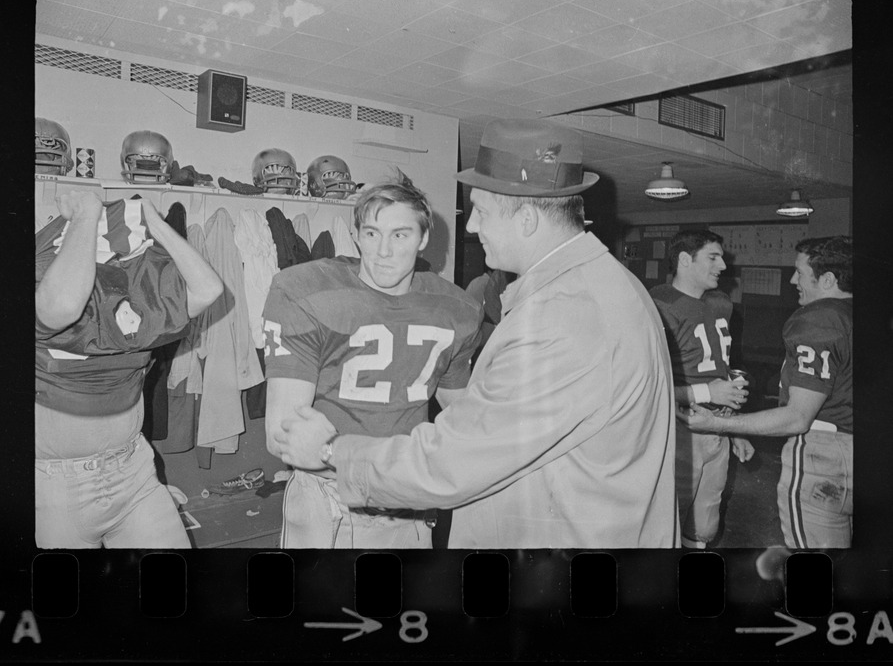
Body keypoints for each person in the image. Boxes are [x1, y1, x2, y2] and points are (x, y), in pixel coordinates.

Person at [270, 119, 679, 548]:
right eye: (371, 233)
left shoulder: (562, 314)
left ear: (525, 219)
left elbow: (454, 461)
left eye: (480, 211)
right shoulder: (604, 284)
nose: (469, 227)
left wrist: (334, 451)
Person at [262, 172, 483, 548]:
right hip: (329, 494)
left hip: (406, 500)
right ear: (356, 235)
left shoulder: (458, 308)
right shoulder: (304, 290)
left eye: (400, 235)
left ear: (424, 238)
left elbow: (465, 415)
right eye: (371, 234)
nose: (383, 251)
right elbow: (283, 436)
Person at [35, 191, 223, 548]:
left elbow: (209, 288)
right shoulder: (45, 292)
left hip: (132, 473)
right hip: (55, 487)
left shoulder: (136, 308)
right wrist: (85, 215)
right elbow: (63, 304)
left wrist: (157, 224)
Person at [679, 236, 853, 549]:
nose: (792, 279)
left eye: (799, 272)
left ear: (827, 280)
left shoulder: (817, 318)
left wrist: (724, 425)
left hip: (824, 450)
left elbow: (797, 417)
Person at [649, 230, 755, 549]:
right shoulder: (661, 305)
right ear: (684, 260)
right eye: (713, 257)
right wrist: (709, 394)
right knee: (665, 524)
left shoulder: (714, 306)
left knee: (703, 528)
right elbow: (648, 385)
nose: (723, 265)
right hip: (681, 430)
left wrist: (734, 426)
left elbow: (719, 373)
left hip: (716, 428)